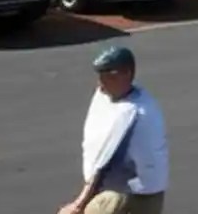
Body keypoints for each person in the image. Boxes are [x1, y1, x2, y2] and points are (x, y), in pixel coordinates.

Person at [59, 46, 168, 214]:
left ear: (126, 75)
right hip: (123, 189)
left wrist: (78, 205)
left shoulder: (133, 113)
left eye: (106, 78)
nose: (100, 84)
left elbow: (103, 164)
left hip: (134, 197)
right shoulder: (114, 95)